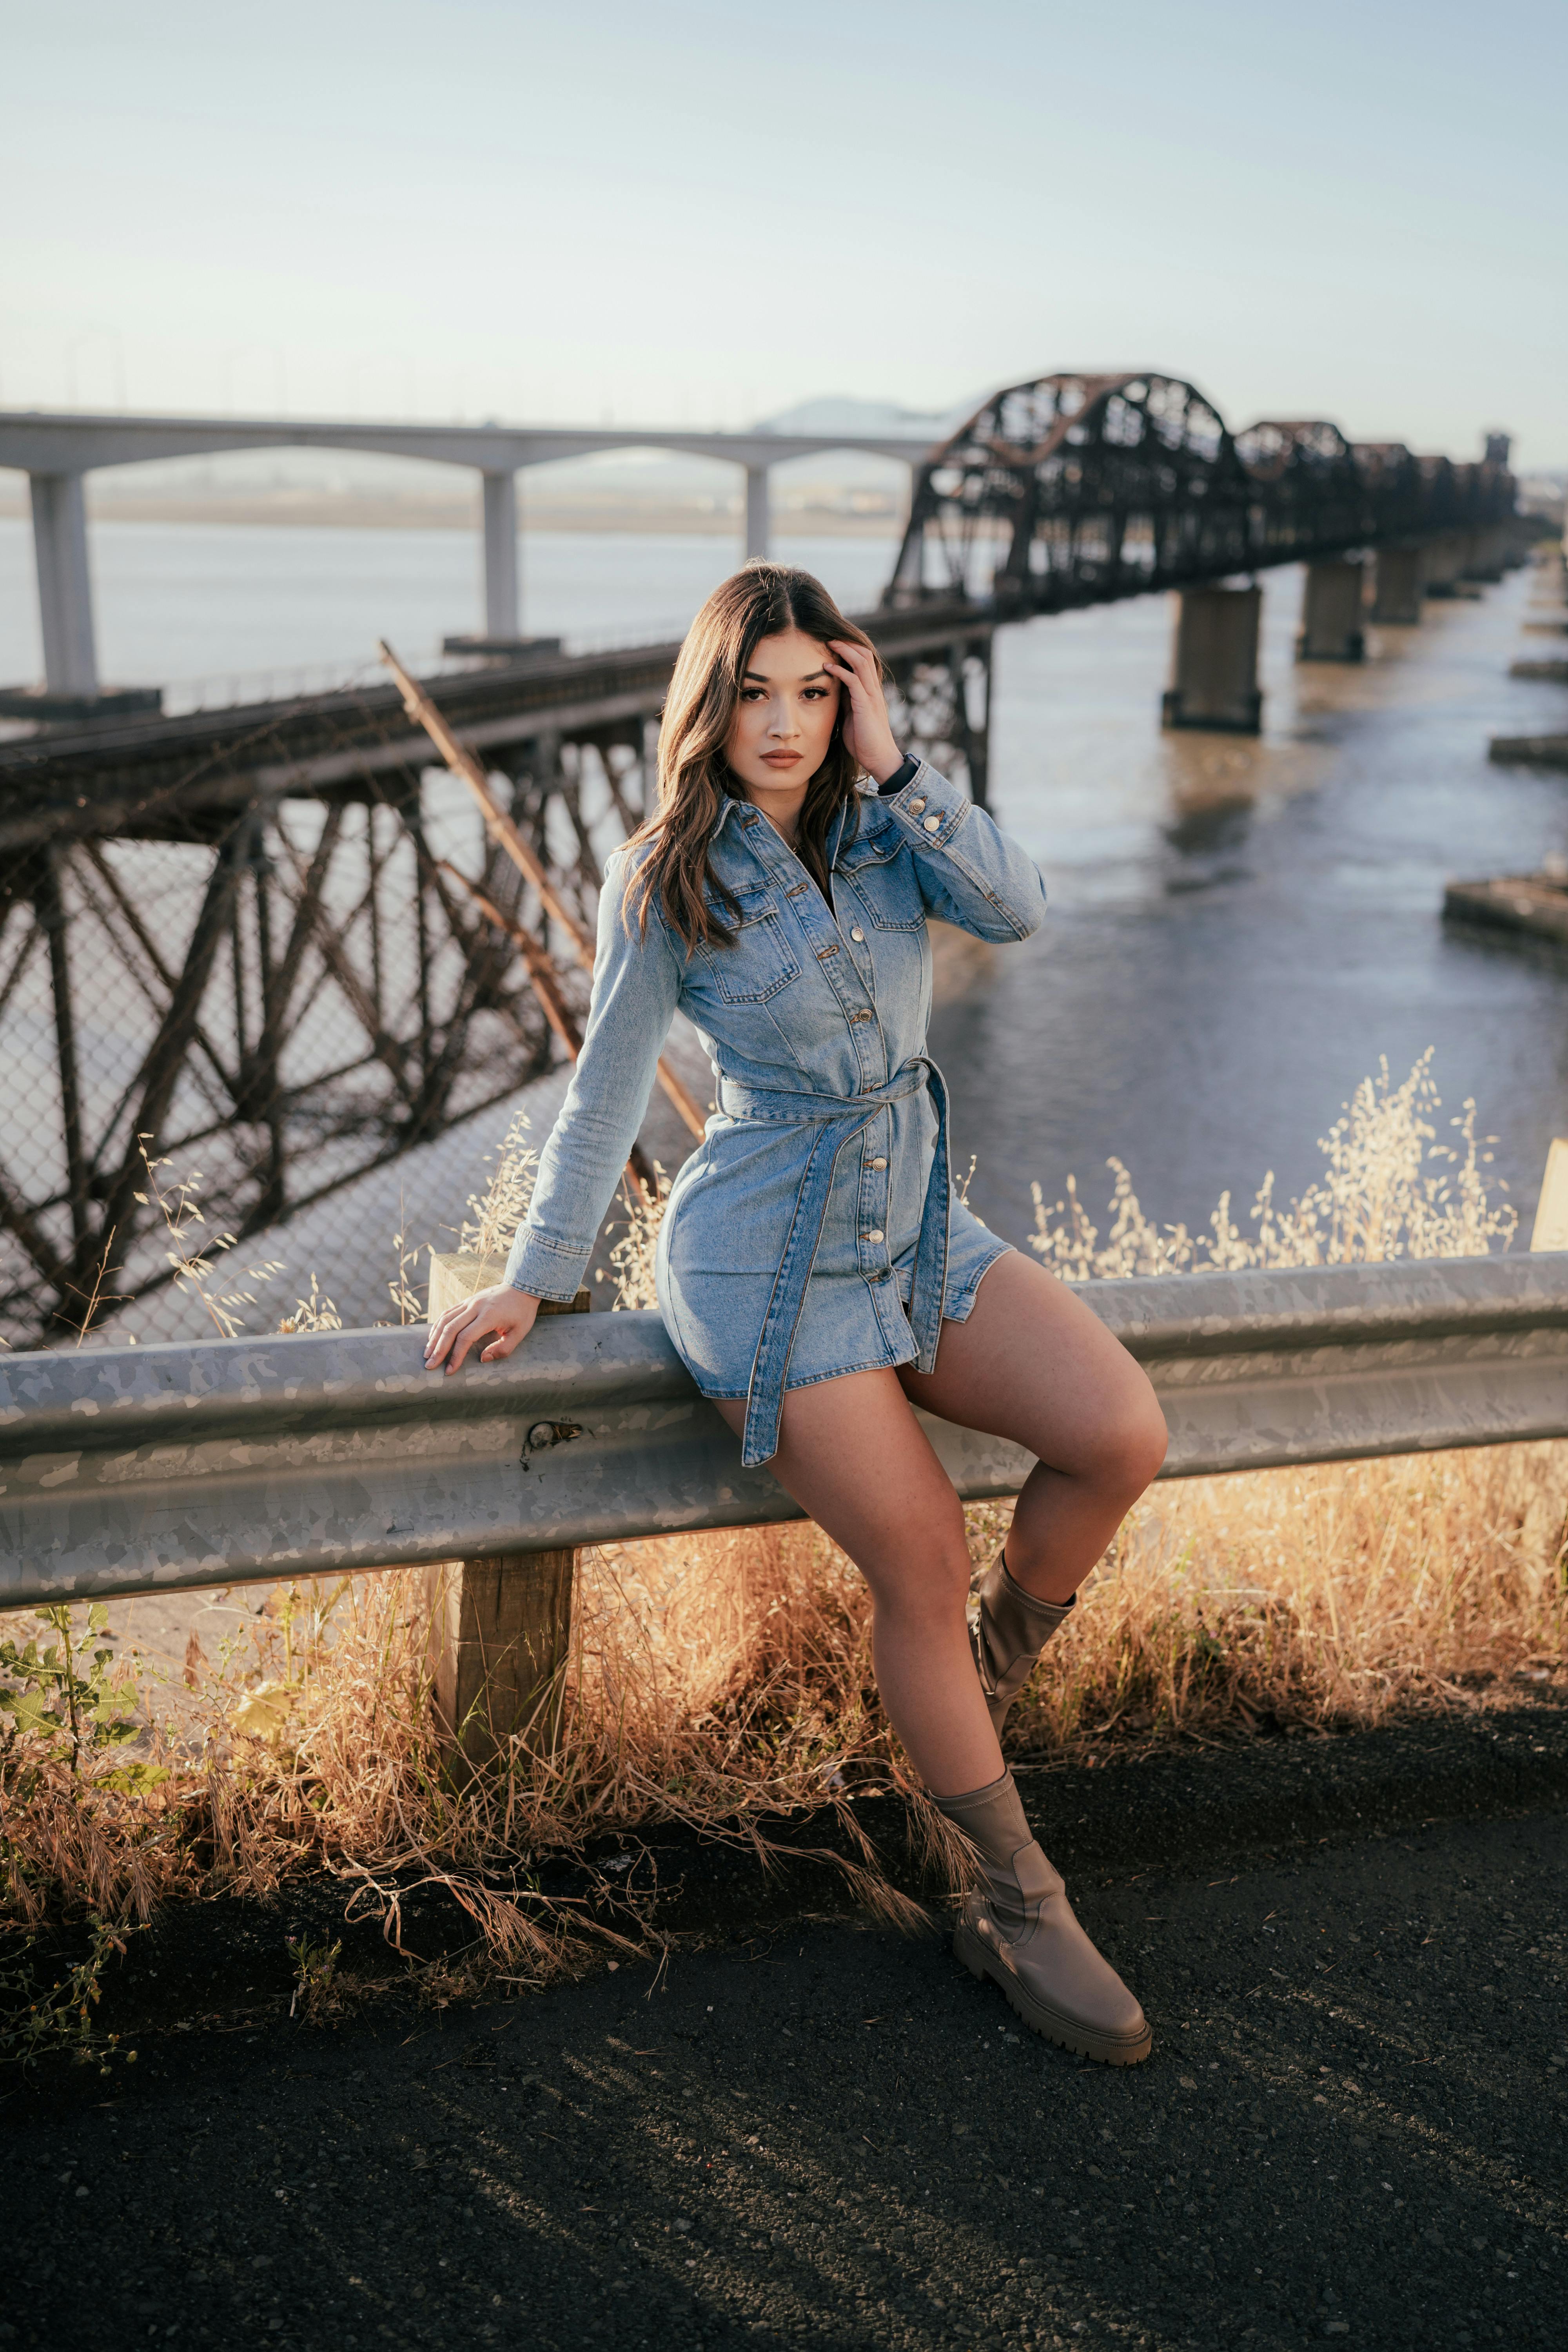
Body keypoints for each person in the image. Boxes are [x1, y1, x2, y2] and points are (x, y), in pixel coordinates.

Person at [425, 562, 1167, 2064]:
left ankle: (957, 1717)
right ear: (712, 701)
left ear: (849, 697)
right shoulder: (669, 874)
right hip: (764, 1252)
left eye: (815, 692)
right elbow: (607, 1086)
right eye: (755, 692)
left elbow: (1022, 909)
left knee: (1120, 1432)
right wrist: (536, 1270)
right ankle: (1014, 1901)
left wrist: (893, 758)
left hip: (912, 1219)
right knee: (919, 1562)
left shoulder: (887, 828)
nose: (784, 723)